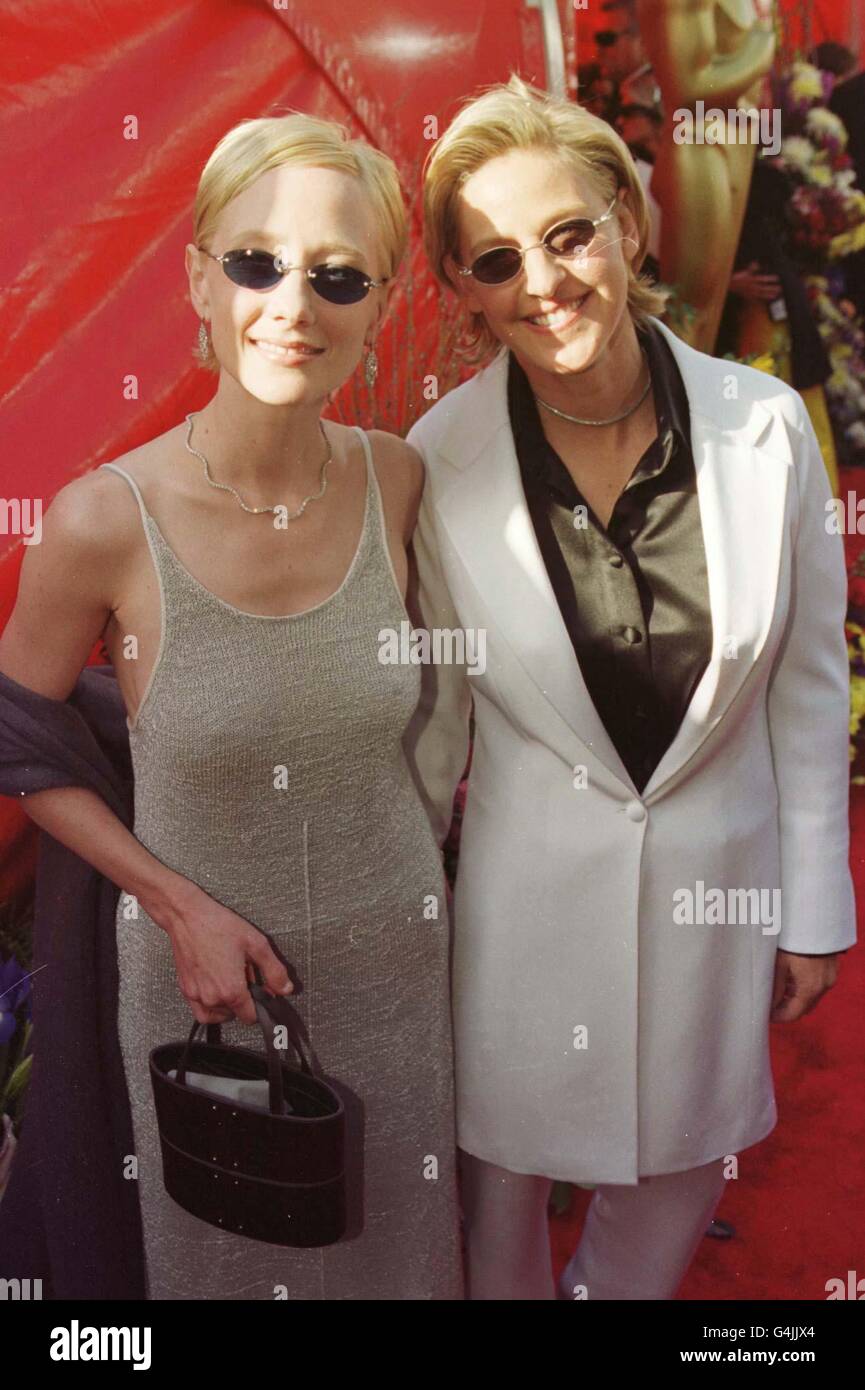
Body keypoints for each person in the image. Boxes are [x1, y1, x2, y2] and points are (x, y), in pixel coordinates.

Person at [405, 74, 855, 1300]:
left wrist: (814, 905)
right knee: (497, 1176)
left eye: (566, 235)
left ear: (627, 223)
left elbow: (808, 692)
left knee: (682, 1160)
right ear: (463, 287)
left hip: (716, 882)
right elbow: (432, 717)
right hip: (520, 902)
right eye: (495, 259)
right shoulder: (434, 460)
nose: (542, 282)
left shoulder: (764, 429)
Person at [0, 112, 463, 1300]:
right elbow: (15, 730)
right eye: (255, 261)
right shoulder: (106, 519)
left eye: (338, 275)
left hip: (396, 969)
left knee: (396, 1263)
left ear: (377, 303)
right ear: (197, 277)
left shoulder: (395, 477)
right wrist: (173, 905)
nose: (292, 302)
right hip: (206, 993)